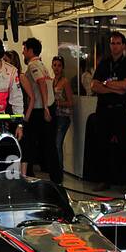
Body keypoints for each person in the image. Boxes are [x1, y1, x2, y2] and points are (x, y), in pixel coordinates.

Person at [91, 31, 126, 186]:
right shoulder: (104, 63)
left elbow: (125, 86)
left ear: (123, 45)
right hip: (104, 110)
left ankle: (124, 182)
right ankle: (103, 180)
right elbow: (94, 85)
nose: (115, 46)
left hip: (120, 110)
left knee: (123, 147)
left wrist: (105, 83)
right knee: (101, 146)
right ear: (110, 45)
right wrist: (114, 88)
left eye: (118, 43)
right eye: (113, 43)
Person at [21, 38, 61, 183]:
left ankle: (30, 176)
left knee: (32, 143)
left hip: (39, 109)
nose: (23, 52)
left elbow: (41, 83)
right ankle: (56, 178)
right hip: (47, 107)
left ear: (30, 51)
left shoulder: (33, 65)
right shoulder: (42, 65)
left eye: (24, 49)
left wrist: (44, 107)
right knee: (49, 144)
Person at [4, 49, 36, 173]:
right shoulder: (6, 77)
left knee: (23, 146)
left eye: (6, 61)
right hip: (9, 116)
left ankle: (23, 175)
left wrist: (25, 117)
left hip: (19, 115)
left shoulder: (21, 76)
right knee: (13, 146)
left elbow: (31, 97)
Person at [51, 54, 75, 186]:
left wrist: (58, 103)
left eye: (59, 66)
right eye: (54, 65)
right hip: (56, 116)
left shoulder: (65, 82)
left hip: (63, 116)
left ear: (63, 67)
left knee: (57, 144)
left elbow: (71, 102)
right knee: (55, 144)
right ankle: (56, 172)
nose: (56, 68)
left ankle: (59, 174)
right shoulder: (53, 80)